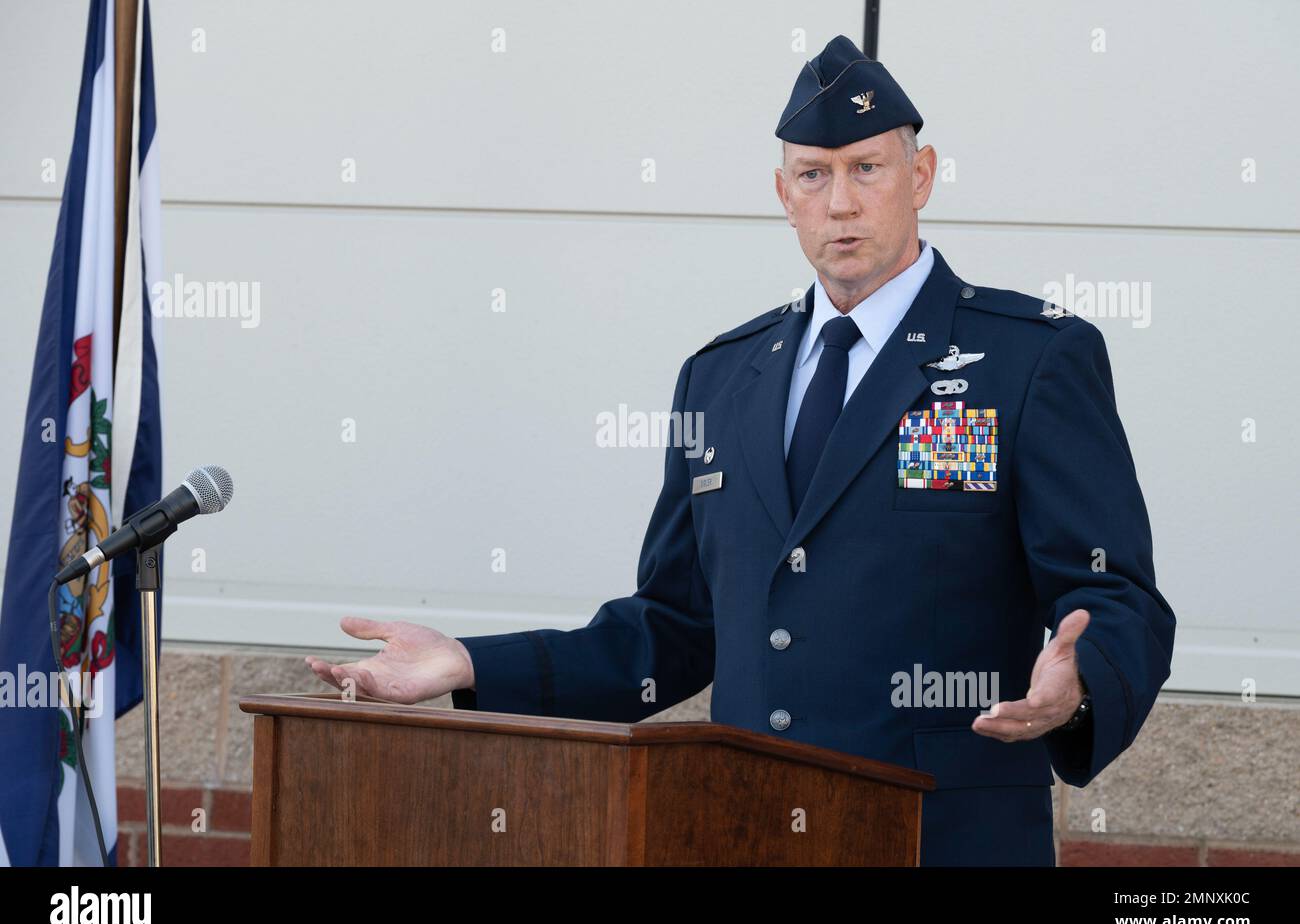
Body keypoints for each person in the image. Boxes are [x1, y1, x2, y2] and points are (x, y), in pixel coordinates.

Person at [306, 35, 1175, 866]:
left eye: (867, 168)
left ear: (922, 175)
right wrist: (466, 662)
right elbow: (672, 630)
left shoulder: (1029, 357)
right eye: (815, 175)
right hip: (750, 836)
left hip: (939, 840)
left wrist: (1082, 683)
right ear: (781, 192)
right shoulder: (719, 381)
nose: (841, 201)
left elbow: (1115, 592)